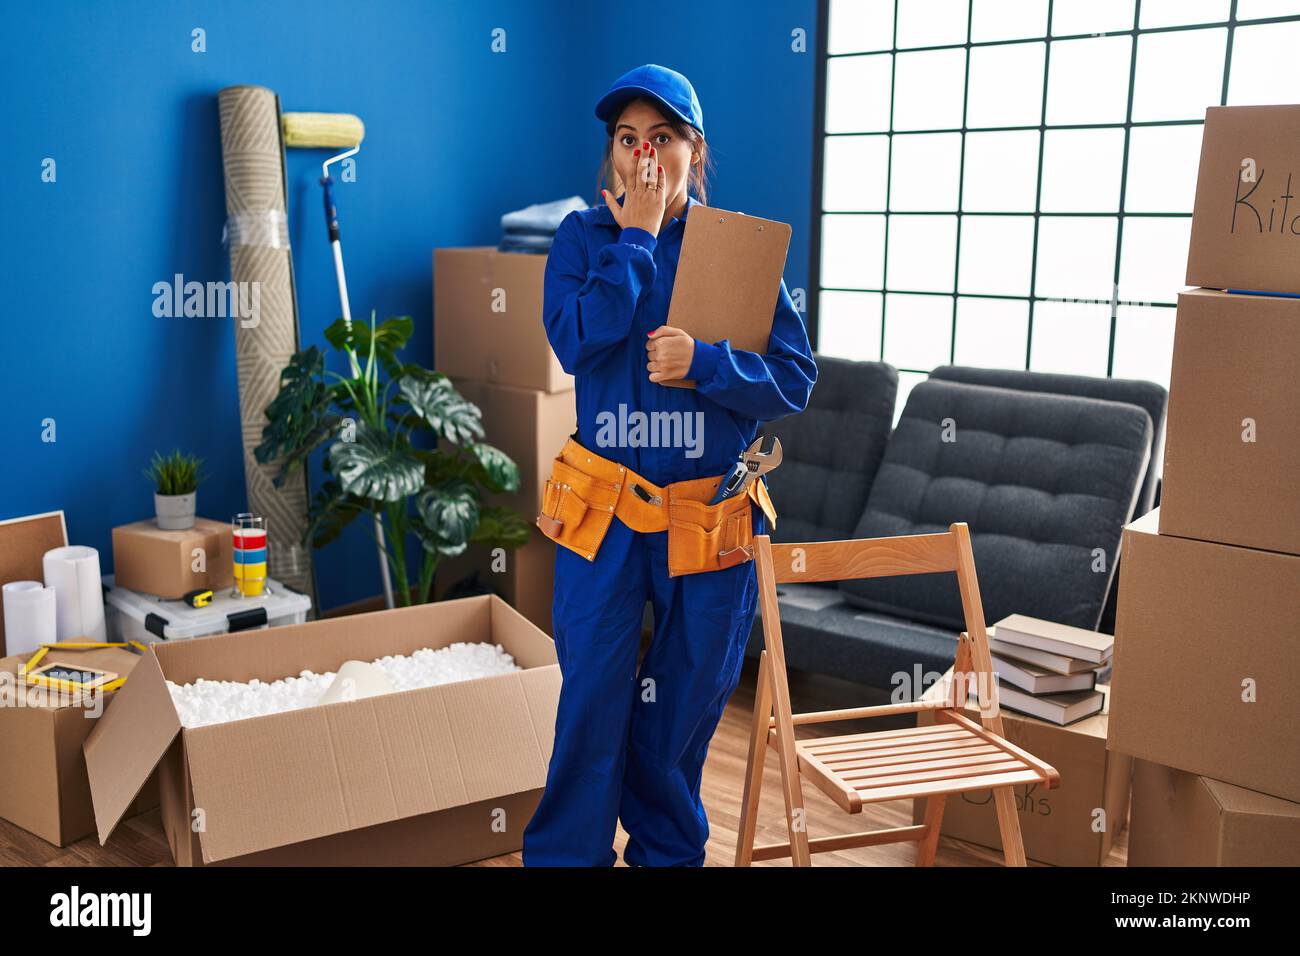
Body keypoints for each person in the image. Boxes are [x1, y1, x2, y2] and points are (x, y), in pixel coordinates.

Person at [521, 63, 817, 867]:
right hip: (604, 514)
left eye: (662, 138)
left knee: (681, 703)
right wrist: (640, 240)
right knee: (590, 699)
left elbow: (794, 377)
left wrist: (709, 364)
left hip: (708, 519)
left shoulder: (736, 251)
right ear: (611, 154)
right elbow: (578, 339)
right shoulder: (585, 239)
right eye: (627, 139)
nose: (643, 155)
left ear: (695, 150)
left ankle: (666, 855)